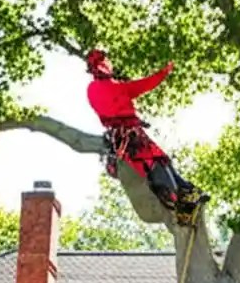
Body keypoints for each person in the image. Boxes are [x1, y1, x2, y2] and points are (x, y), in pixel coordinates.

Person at [85, 49, 208, 225]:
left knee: (161, 161)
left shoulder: (93, 89)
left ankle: (186, 191)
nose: (110, 65)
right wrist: (164, 72)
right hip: (131, 137)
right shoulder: (115, 87)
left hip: (118, 138)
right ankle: (181, 199)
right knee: (157, 162)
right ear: (102, 65)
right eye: (107, 62)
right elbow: (144, 85)